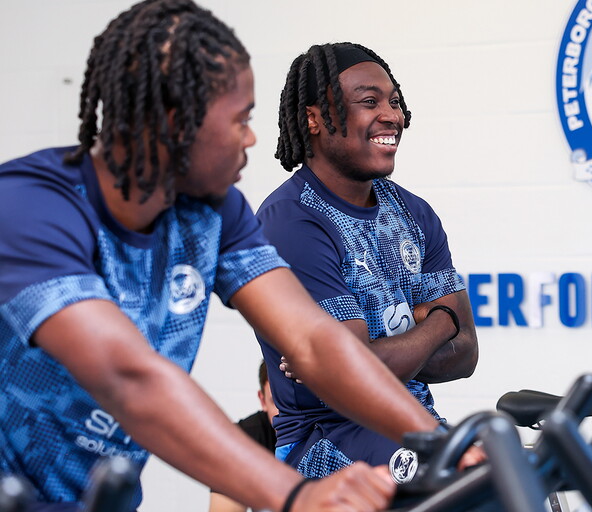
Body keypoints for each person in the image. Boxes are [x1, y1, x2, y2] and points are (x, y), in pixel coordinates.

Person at [0, 1, 449, 510]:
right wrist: (296, 494)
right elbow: (129, 380)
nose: (252, 137)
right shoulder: (29, 206)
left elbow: (313, 340)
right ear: (176, 121)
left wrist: (438, 444)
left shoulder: (214, 212)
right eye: (240, 119)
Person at [257, 42, 479, 479]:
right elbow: (354, 378)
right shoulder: (290, 221)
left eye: (394, 101)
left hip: (415, 427)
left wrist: (392, 349)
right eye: (369, 102)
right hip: (326, 443)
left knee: (506, 470)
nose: (392, 115)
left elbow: (466, 354)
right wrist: (439, 324)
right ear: (314, 119)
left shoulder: (414, 214)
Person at [210, 362, 279, 512]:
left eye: (294, 402)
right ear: (263, 400)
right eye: (277, 402)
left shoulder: (332, 434)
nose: (286, 414)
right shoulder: (242, 439)